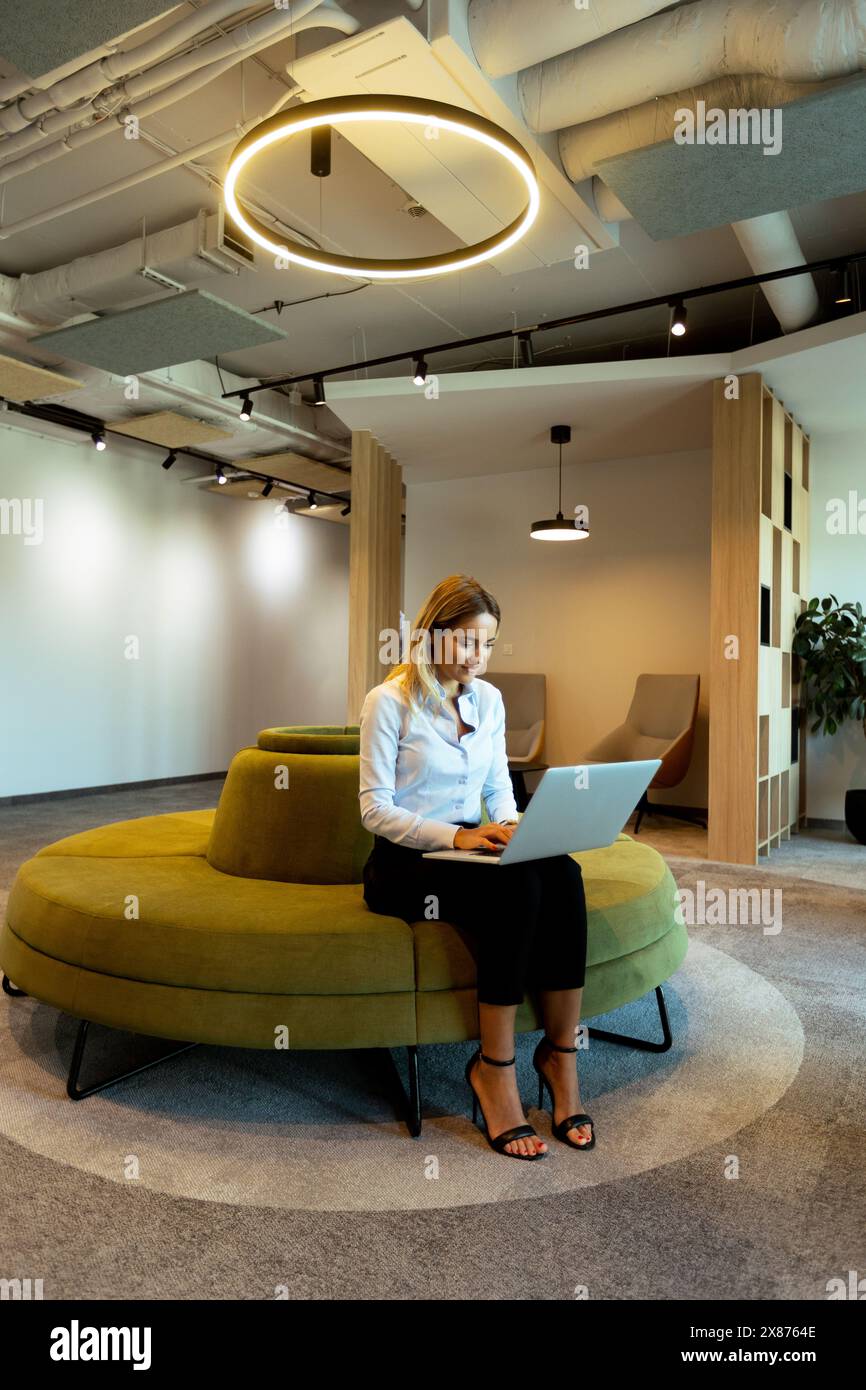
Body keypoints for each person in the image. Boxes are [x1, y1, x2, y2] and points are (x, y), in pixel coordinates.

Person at [358, 573, 593, 1161]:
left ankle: (560, 1059)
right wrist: (460, 839)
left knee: (561, 872)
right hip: (406, 864)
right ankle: (494, 1071)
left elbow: (499, 791)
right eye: (467, 643)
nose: (479, 658)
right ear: (432, 636)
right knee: (516, 887)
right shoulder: (388, 702)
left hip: (470, 851)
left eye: (488, 645)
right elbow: (374, 810)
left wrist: (516, 828)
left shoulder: (489, 700)